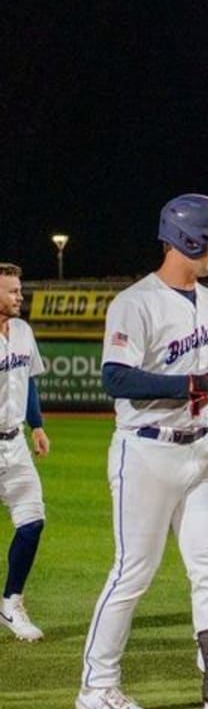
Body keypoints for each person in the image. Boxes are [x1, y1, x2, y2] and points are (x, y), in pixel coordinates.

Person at [78, 194, 208, 709]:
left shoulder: (207, 301)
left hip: (201, 447)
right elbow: (115, 377)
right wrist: (192, 382)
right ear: (184, 239)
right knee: (133, 572)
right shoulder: (135, 302)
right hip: (147, 450)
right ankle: (97, 684)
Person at [0, 263, 49, 642]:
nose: (20, 297)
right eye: (13, 291)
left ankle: (11, 602)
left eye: (20, 289)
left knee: (32, 522)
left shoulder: (22, 331)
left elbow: (29, 380)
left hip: (14, 443)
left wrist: (37, 426)